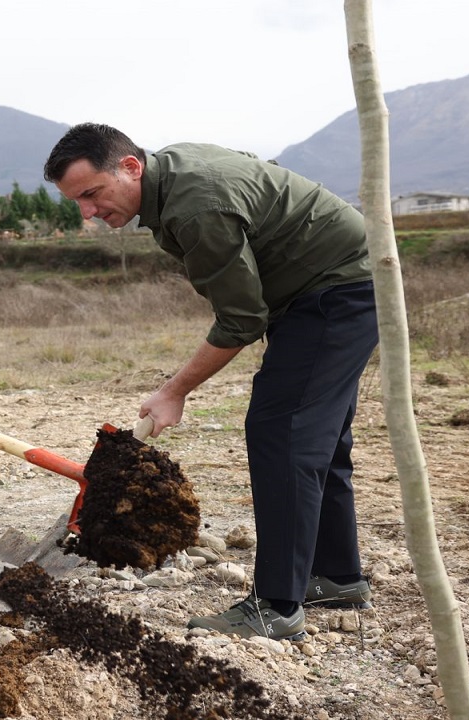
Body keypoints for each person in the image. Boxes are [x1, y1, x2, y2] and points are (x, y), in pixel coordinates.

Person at [44, 124, 378, 640]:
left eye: (92, 194)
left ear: (131, 167)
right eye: (77, 202)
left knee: (282, 435)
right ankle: (336, 575)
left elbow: (242, 318)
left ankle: (276, 607)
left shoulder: (194, 206)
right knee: (318, 440)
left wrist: (173, 389)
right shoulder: (175, 171)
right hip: (333, 287)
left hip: (335, 292)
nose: (88, 212)